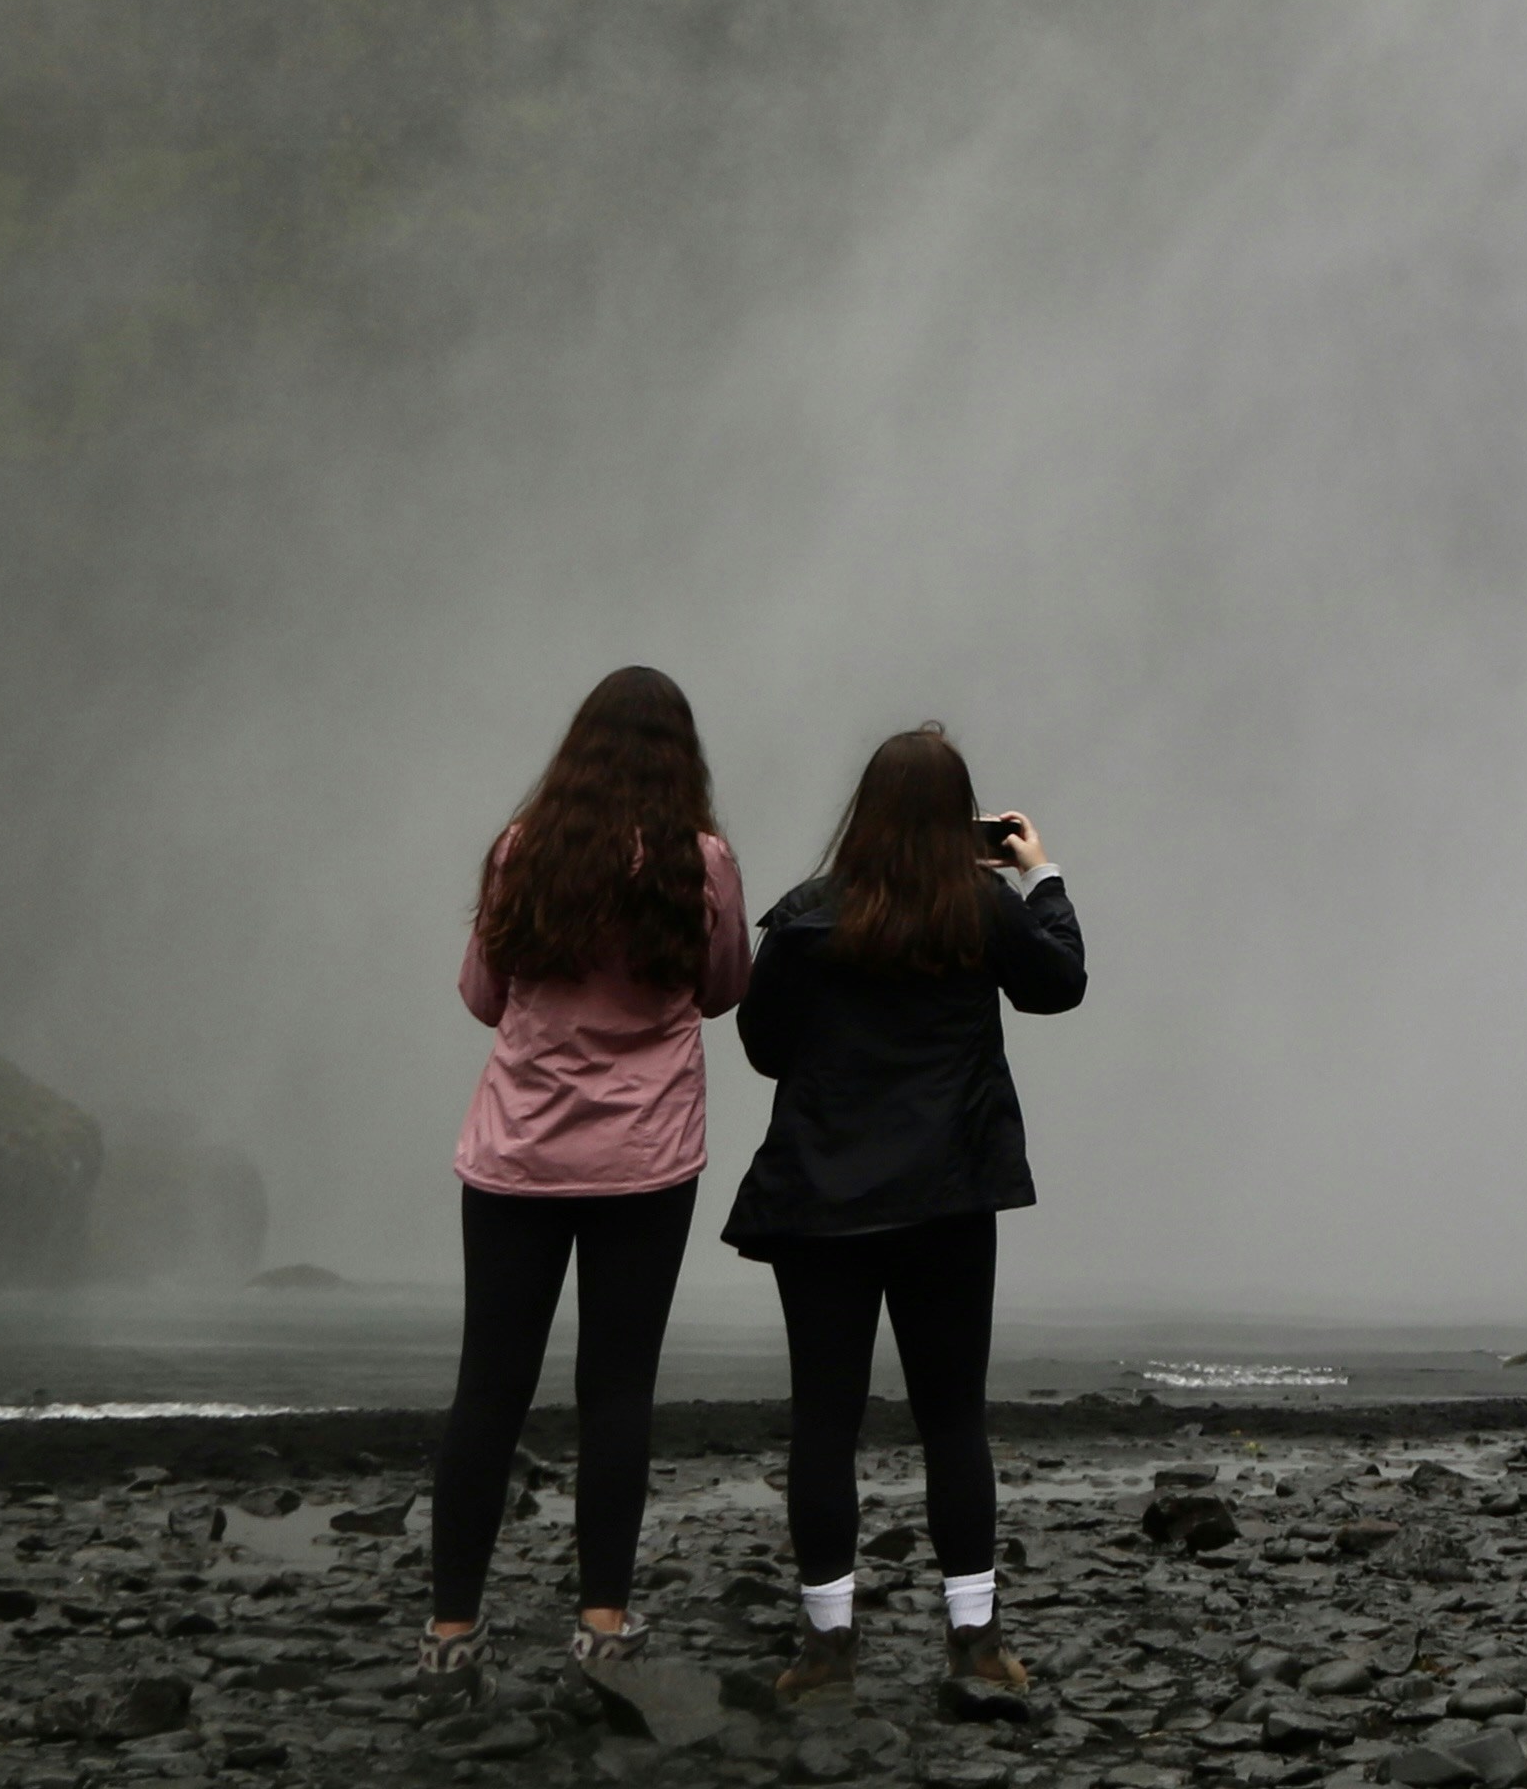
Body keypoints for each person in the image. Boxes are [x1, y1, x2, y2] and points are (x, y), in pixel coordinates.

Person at [724, 727, 1086, 1723]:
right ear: (956, 819)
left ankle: (827, 1643)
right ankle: (974, 1641)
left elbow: (761, 1047)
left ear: (867, 813)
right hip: (947, 1197)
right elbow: (1059, 982)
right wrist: (1040, 871)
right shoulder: (979, 909)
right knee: (952, 1417)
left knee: (825, 1420)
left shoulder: (807, 916)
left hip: (824, 1203)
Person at [429, 665, 747, 1699]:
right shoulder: (701, 861)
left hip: (517, 1156)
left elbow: (483, 995)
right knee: (617, 1390)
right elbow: (725, 987)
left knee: (490, 1386)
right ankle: (602, 1623)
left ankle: (450, 1629)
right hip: (645, 1163)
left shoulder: (524, 850)